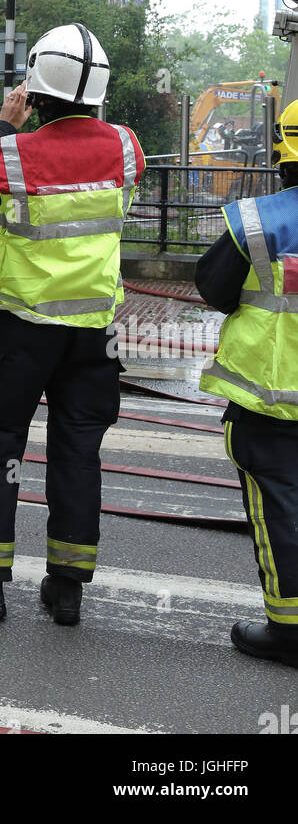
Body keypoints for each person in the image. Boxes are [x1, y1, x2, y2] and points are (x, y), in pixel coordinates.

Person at [0, 23, 144, 627]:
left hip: (21, 330)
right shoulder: (127, 147)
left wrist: (4, 122)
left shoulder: (12, 153)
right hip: (95, 333)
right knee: (78, 453)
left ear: (37, 92)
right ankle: (67, 589)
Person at [196, 97, 298, 669]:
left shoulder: (256, 219)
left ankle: (290, 630)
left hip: (273, 402)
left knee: (281, 509)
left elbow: (212, 288)